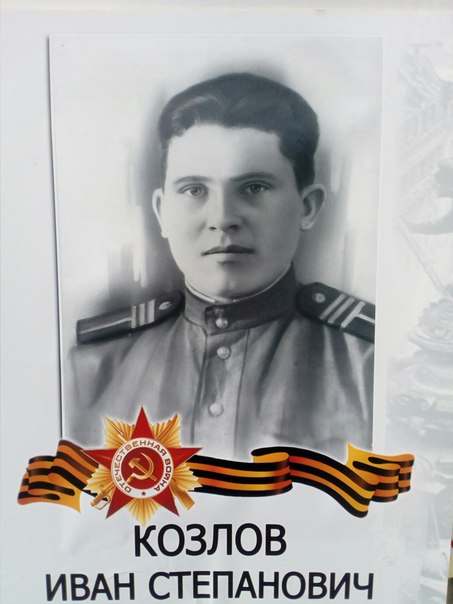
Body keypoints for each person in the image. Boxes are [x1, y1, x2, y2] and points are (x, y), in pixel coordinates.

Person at [69, 72, 375, 460]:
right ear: (162, 212)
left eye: (254, 188)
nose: (222, 218)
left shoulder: (370, 363)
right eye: (194, 190)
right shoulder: (93, 365)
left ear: (307, 207)